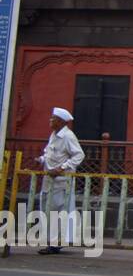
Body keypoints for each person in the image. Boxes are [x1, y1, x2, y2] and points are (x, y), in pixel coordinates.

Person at [36, 108, 84, 255]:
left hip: (61, 182)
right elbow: (49, 152)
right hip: (49, 180)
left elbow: (79, 155)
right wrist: (42, 159)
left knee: (59, 212)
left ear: (61, 121)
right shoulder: (54, 135)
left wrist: (62, 168)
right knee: (48, 210)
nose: (50, 120)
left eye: (53, 118)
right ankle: (52, 241)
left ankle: (56, 243)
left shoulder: (68, 136)